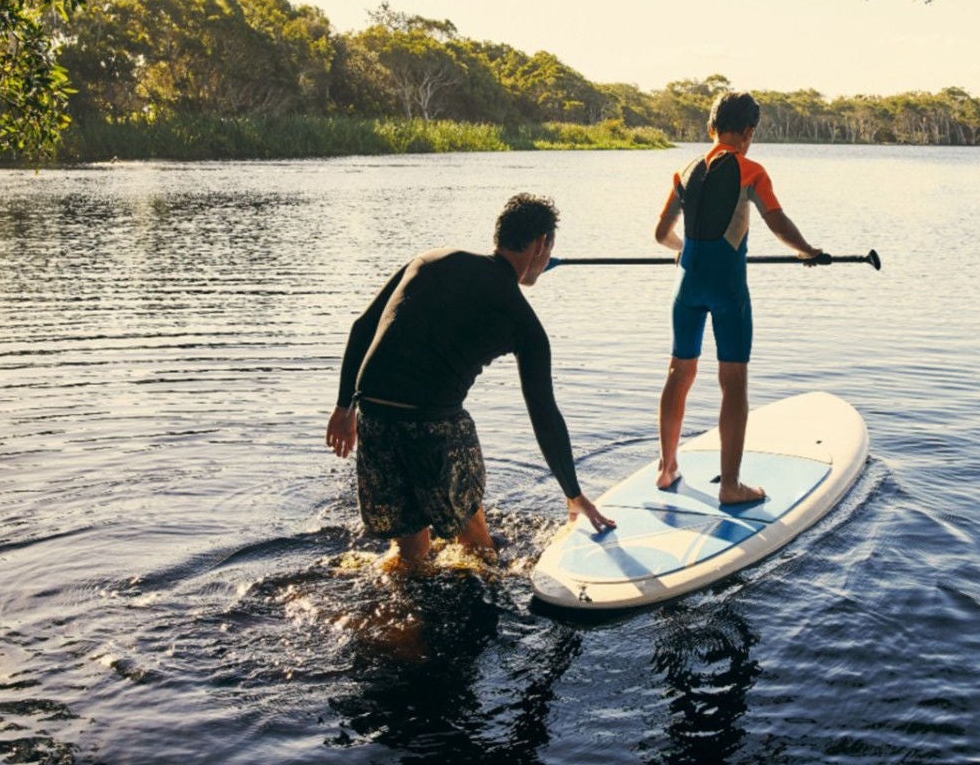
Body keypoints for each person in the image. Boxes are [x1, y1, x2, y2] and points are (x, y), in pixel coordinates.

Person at [324, 193, 616, 564]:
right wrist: (574, 494)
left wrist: (344, 407)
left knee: (410, 551)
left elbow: (363, 327)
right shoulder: (522, 321)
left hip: (374, 418)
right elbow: (543, 413)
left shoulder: (430, 260)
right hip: (432, 426)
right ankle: (486, 577)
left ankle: (406, 611)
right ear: (542, 243)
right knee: (476, 539)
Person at [653, 91, 824, 503]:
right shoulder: (751, 171)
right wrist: (807, 251)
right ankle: (730, 486)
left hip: (687, 285)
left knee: (679, 373)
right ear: (748, 132)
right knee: (733, 381)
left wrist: (683, 249)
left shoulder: (684, 170)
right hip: (728, 289)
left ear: (710, 128)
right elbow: (777, 222)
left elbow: (661, 235)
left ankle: (666, 467)